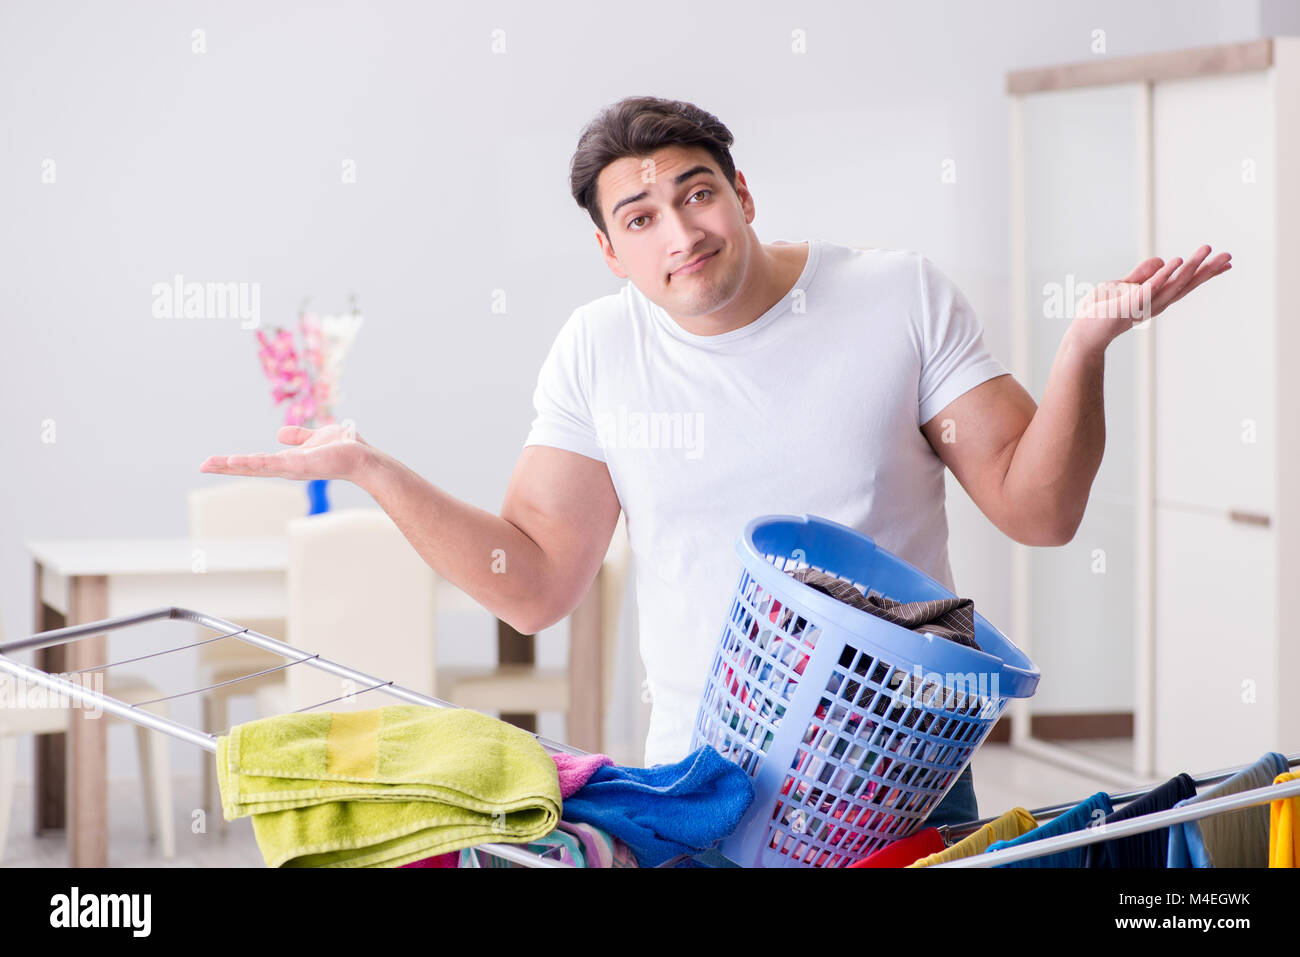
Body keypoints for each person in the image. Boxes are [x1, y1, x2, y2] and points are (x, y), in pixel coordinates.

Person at [199, 95, 1230, 835]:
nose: (681, 233)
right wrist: (379, 472)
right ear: (609, 250)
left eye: (697, 194)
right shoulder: (598, 351)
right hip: (704, 783)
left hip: (903, 765)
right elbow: (537, 585)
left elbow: (1036, 509)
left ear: (741, 192)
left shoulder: (896, 298)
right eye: (640, 218)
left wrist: (1081, 352)